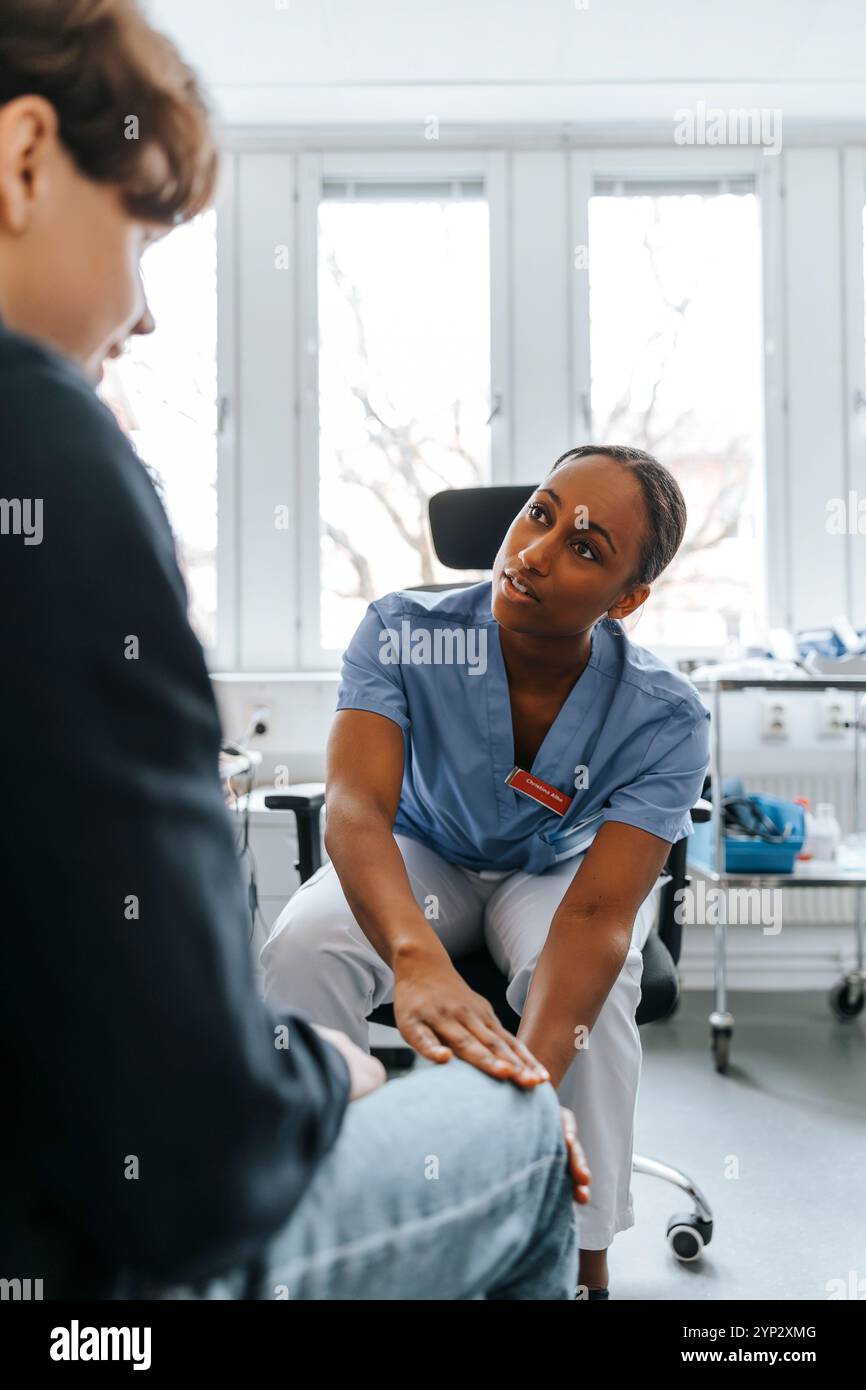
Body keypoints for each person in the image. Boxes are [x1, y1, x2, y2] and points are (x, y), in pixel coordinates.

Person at [0, 0, 586, 1301]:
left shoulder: (648, 703)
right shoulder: (44, 442)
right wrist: (340, 1062)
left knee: (529, 1037)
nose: (143, 315)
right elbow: (189, 1139)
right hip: (86, 1253)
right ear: (24, 160)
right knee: (507, 1125)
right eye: (143, 235)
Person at [262, 444, 713, 1297]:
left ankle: (581, 1260)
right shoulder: (401, 630)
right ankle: (313, 1209)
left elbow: (595, 919)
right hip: (423, 849)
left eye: (585, 548)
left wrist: (516, 1100)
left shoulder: (665, 716)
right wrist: (415, 956)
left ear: (628, 599)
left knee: (595, 985)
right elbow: (356, 810)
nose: (535, 553)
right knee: (299, 947)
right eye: (539, 514)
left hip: (558, 876)